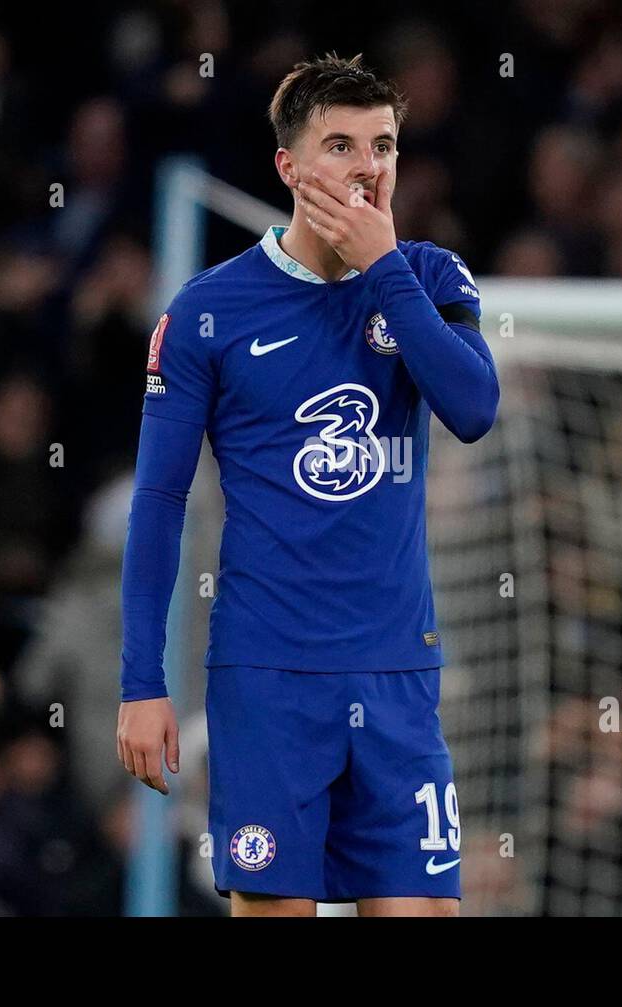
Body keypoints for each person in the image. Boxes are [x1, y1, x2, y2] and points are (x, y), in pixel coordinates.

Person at [116, 53, 498, 917]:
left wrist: (383, 267)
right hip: (269, 678)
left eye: (384, 145)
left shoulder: (431, 277)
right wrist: (143, 681)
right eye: (341, 145)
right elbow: (158, 502)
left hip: (399, 670)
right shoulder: (210, 312)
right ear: (289, 167)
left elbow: (473, 406)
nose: (368, 166)